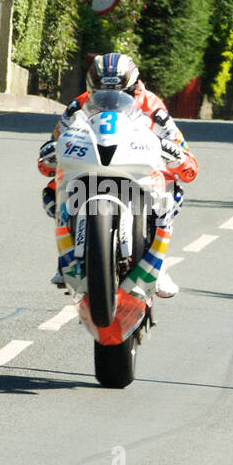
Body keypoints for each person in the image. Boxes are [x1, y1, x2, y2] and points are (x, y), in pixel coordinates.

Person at [36, 53, 198, 299]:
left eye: (121, 92)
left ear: (134, 87)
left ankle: (158, 265)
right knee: (50, 192)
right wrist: (51, 151)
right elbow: (56, 143)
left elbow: (186, 159)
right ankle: (65, 257)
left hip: (137, 169)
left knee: (173, 194)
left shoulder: (153, 106)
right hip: (92, 165)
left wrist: (178, 156)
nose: (110, 99)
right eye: (101, 92)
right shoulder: (78, 105)